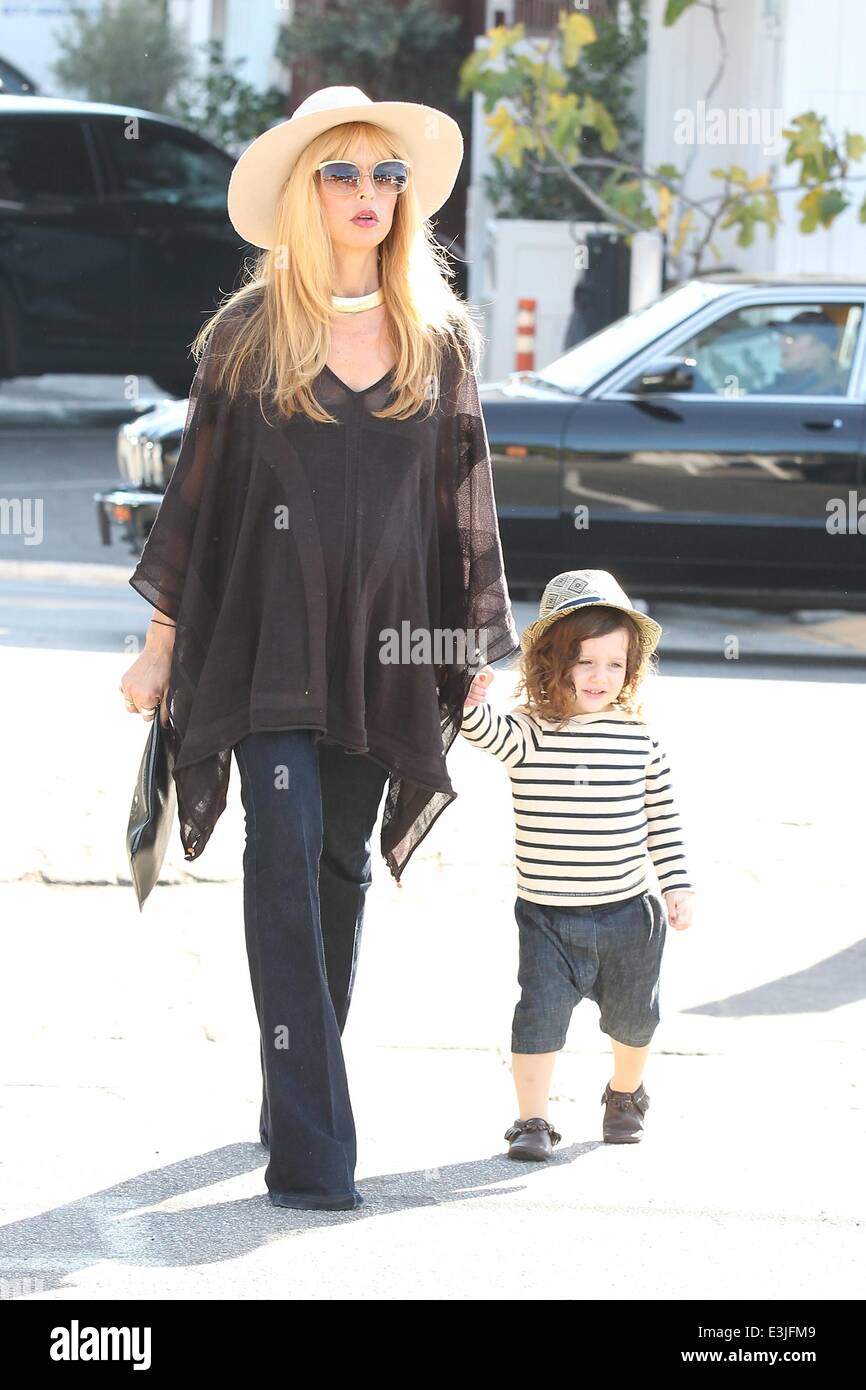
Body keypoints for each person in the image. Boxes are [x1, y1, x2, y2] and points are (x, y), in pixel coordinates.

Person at [118, 86, 520, 1211]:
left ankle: (289, 1076)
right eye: (342, 175)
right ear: (304, 193)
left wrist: (471, 636)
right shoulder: (248, 338)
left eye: (385, 176)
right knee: (284, 850)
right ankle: (313, 1151)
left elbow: (463, 506)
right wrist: (158, 646)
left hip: (386, 649)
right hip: (262, 644)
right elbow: (191, 509)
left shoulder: (438, 342)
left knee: (338, 871)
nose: (368, 195)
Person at [458, 569, 696, 1159]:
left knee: (636, 1020)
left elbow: (661, 818)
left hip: (629, 913)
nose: (600, 677)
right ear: (550, 662)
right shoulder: (531, 734)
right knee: (536, 1021)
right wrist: (470, 700)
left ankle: (625, 1092)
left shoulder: (639, 738)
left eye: (614, 664)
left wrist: (678, 884)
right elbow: (481, 731)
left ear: (631, 669)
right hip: (547, 917)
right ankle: (532, 1120)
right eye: (584, 661)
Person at [757, 310, 848, 396]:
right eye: (783, 336)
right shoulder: (784, 387)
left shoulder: (840, 391)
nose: (781, 343)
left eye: (792, 338)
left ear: (820, 347)